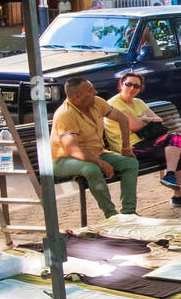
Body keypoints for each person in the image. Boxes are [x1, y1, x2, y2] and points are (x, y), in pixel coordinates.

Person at [105, 70, 181, 207]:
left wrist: (141, 118)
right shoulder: (114, 103)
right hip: (128, 149)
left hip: (146, 143)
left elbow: (158, 119)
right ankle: (178, 195)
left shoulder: (138, 102)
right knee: (174, 145)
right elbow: (135, 126)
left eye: (136, 86)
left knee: (175, 143)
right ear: (121, 84)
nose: (132, 88)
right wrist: (145, 119)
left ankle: (172, 179)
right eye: (129, 84)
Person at [51, 78, 139, 219]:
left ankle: (129, 212)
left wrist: (126, 147)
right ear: (77, 96)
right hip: (64, 160)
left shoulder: (96, 102)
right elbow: (73, 150)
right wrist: (101, 163)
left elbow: (122, 118)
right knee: (91, 169)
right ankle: (112, 215)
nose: (95, 92)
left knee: (130, 163)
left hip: (96, 153)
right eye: (90, 90)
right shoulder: (65, 114)